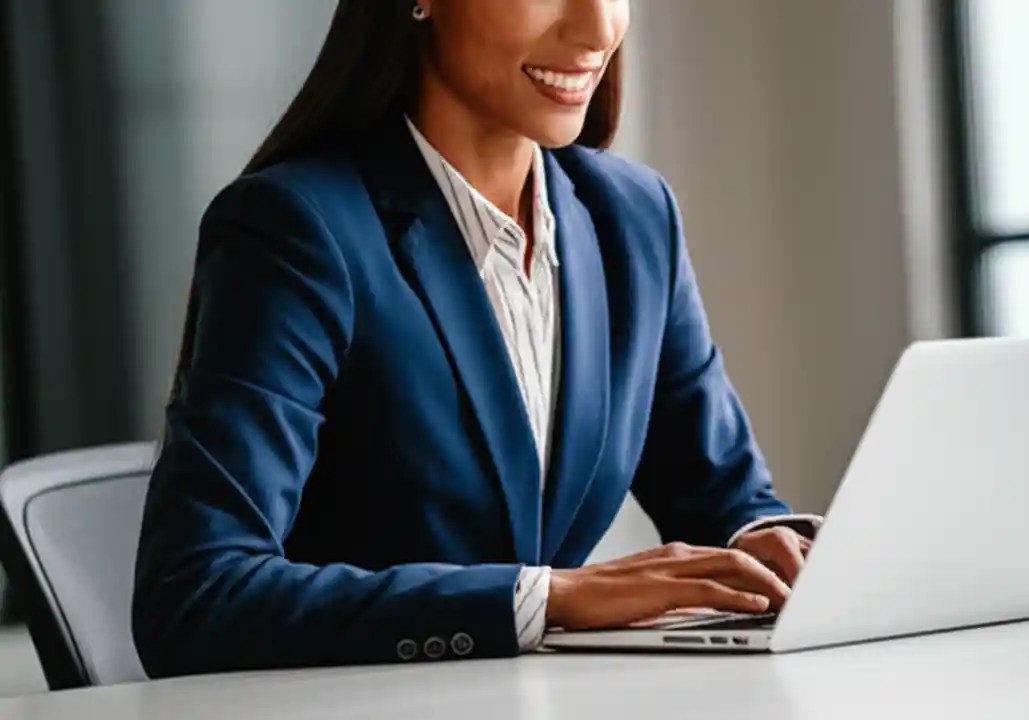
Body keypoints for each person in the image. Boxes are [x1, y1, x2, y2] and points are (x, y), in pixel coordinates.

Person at [132, 0, 819, 678]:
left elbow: (727, 501)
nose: (598, 27)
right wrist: (548, 599)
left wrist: (777, 550)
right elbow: (195, 595)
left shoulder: (632, 219)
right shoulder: (296, 230)